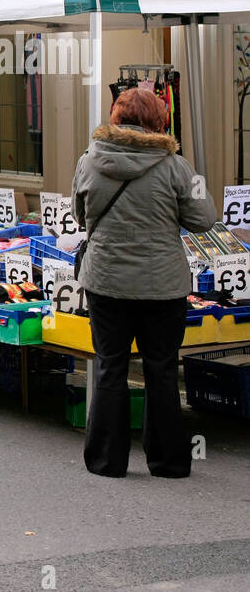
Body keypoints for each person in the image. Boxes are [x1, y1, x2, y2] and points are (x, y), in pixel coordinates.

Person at [71, 88, 217, 479]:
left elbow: (78, 214)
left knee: (110, 366)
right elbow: (204, 218)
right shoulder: (178, 166)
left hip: (105, 281)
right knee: (162, 369)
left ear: (116, 117)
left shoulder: (89, 160)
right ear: (160, 120)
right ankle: (168, 461)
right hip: (162, 287)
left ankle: (106, 461)